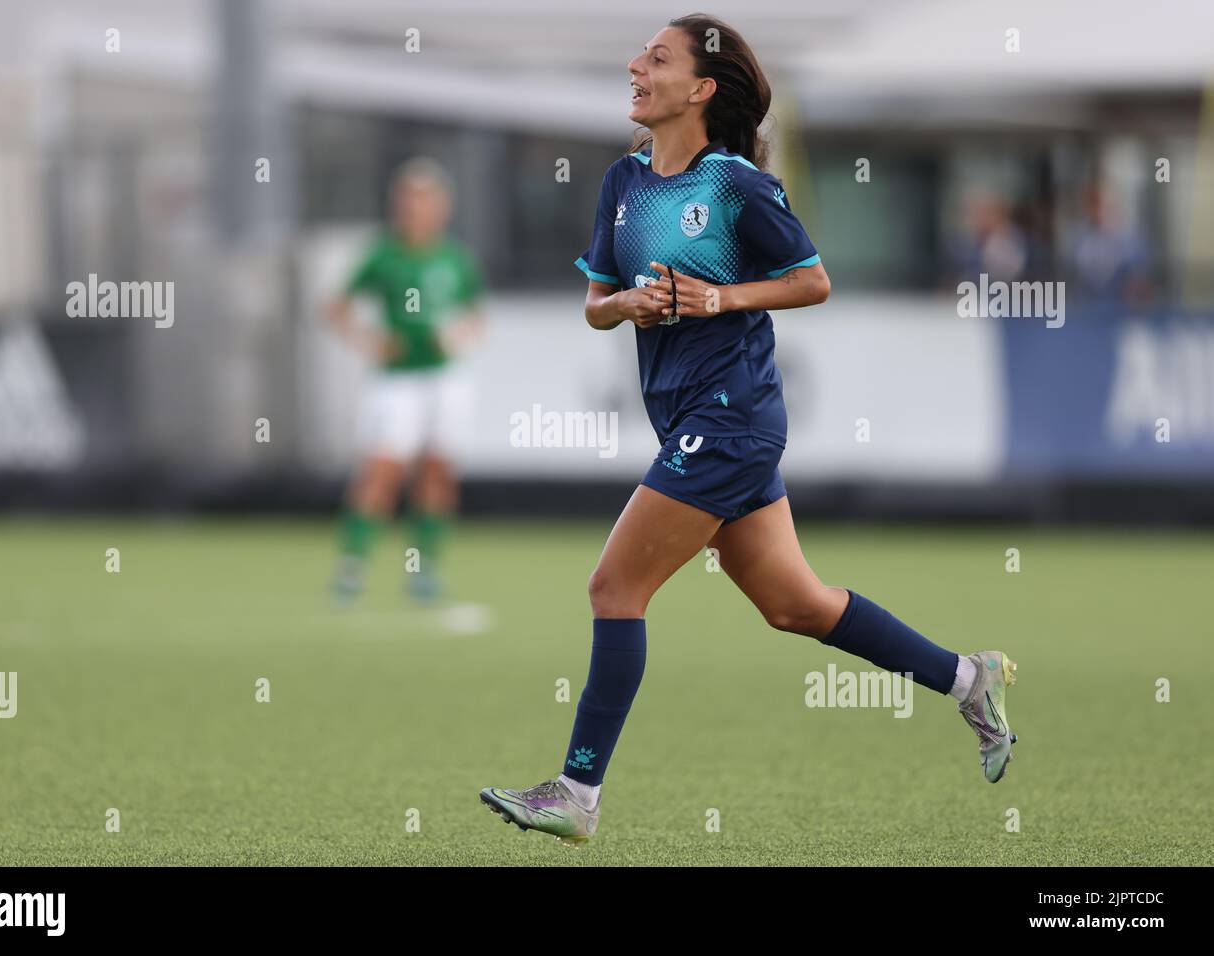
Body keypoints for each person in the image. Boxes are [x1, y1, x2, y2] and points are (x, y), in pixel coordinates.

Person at [480, 14, 1017, 845]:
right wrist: (624, 303)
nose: (635, 66)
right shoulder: (623, 181)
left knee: (614, 587)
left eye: (656, 59)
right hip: (690, 418)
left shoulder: (734, 184)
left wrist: (719, 297)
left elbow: (812, 280)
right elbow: (595, 307)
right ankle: (966, 678)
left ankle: (578, 793)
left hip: (729, 419)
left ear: (699, 89)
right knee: (794, 603)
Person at [326, 158, 484, 603]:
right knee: (382, 469)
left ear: (442, 207)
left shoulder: (454, 258)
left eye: (425, 200)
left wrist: (457, 338)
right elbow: (336, 307)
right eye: (410, 200)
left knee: (437, 469)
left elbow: (475, 318)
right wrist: (369, 340)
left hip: (444, 378)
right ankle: (351, 568)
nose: (416, 209)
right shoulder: (382, 254)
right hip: (396, 381)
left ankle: (424, 570)